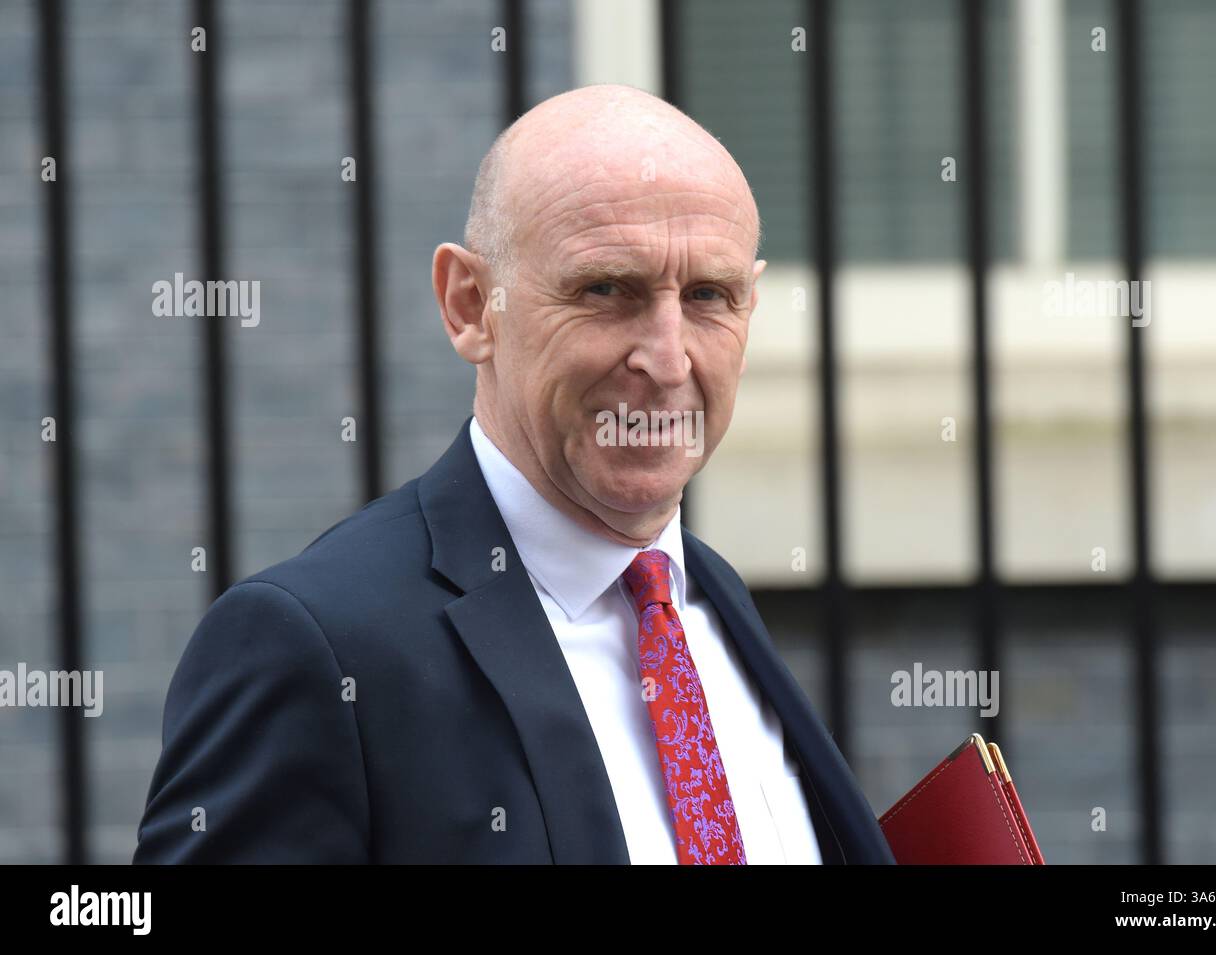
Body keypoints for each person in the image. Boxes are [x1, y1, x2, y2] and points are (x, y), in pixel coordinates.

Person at [133, 84, 895, 865]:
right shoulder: (315, 645)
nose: (669, 360)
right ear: (470, 305)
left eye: (709, 296)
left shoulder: (706, 595)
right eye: (607, 290)